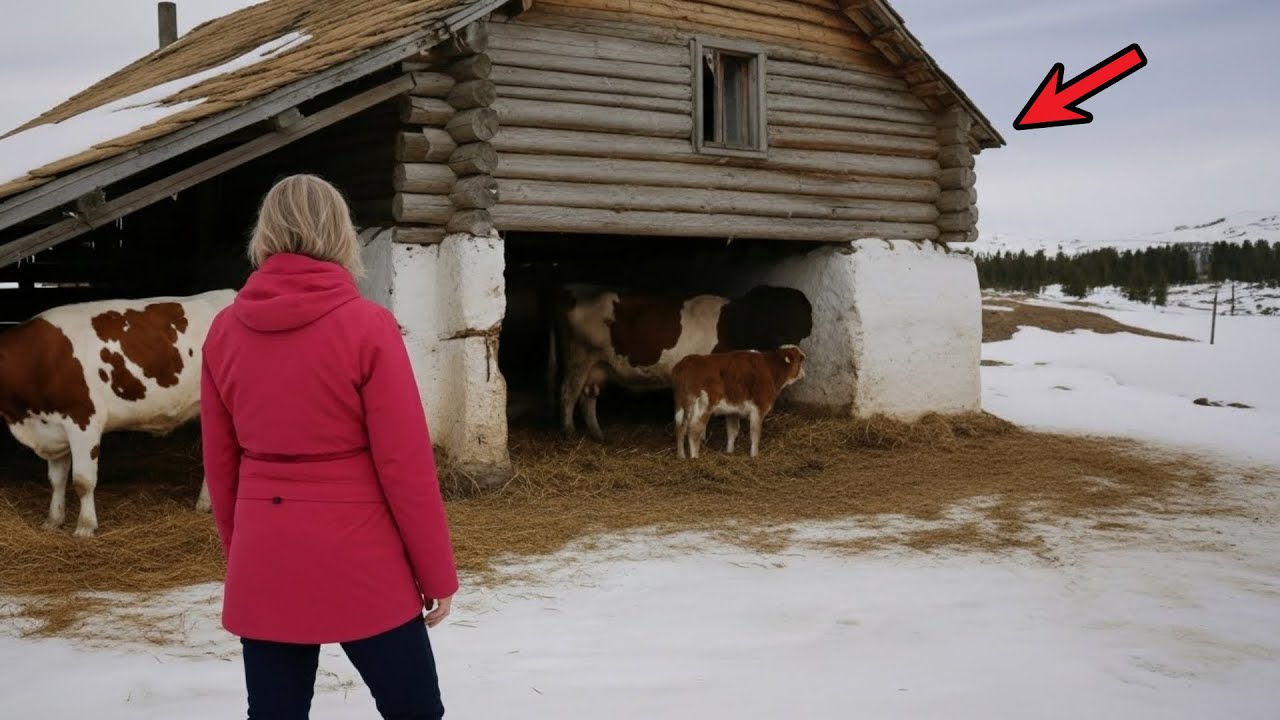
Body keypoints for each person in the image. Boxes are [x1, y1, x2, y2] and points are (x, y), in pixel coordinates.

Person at [200, 174, 459, 719]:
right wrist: (436, 574)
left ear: (265, 233)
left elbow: (221, 466)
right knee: (415, 711)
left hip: (266, 553)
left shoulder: (224, 331)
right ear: (340, 233)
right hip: (364, 560)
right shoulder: (368, 325)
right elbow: (406, 467)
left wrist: (242, 553)